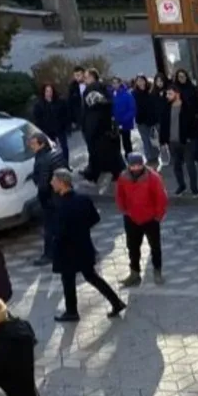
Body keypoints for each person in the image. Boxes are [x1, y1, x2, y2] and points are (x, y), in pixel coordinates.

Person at [50, 169, 126, 322]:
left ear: (62, 183)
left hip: (67, 250)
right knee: (91, 276)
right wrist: (81, 230)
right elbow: (94, 218)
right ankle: (115, 301)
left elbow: (59, 231)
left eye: (54, 180)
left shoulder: (60, 205)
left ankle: (72, 311)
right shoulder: (83, 199)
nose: (51, 182)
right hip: (84, 246)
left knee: (68, 280)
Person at [115, 152, 168, 286]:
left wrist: (158, 216)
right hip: (131, 218)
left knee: (155, 247)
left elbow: (161, 197)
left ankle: (157, 271)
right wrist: (124, 210)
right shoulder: (123, 177)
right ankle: (134, 273)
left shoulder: (153, 178)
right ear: (129, 166)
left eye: (139, 165)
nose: (136, 168)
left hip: (151, 219)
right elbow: (119, 194)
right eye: (133, 165)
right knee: (132, 247)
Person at [29, 133, 68, 267]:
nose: (31, 147)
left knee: (49, 229)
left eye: (34, 144)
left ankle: (49, 255)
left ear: (42, 144)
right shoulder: (56, 153)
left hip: (51, 199)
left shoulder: (43, 159)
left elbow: (43, 184)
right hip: (63, 194)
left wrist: (43, 200)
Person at [81, 76, 125, 189]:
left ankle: (94, 178)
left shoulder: (93, 110)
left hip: (98, 140)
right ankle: (119, 177)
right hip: (108, 137)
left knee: (99, 159)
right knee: (115, 160)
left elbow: (90, 126)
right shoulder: (106, 105)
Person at [158, 84, 198, 197]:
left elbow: (194, 125)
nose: (167, 96)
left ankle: (194, 188)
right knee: (176, 166)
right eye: (167, 94)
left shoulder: (187, 107)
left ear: (177, 94)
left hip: (186, 142)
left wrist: (190, 138)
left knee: (190, 165)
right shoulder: (166, 108)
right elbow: (163, 125)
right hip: (172, 142)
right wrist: (163, 141)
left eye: (170, 93)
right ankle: (181, 186)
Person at [32, 84, 71, 161]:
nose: (49, 93)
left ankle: (66, 163)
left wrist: (67, 126)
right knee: (52, 150)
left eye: (50, 91)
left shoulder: (59, 101)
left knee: (64, 147)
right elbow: (38, 120)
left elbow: (66, 114)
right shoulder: (39, 105)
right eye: (47, 91)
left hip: (60, 128)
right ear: (44, 92)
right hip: (48, 131)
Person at [131, 75, 160, 165]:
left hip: (153, 119)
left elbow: (155, 104)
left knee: (154, 139)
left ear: (145, 81)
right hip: (141, 120)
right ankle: (150, 158)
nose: (140, 82)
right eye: (138, 81)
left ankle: (156, 155)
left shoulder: (150, 91)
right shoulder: (134, 93)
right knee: (146, 140)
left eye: (142, 80)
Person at [111, 77, 136, 157]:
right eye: (113, 83)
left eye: (116, 83)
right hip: (115, 124)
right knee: (115, 143)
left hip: (125, 123)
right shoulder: (111, 95)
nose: (115, 85)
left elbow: (132, 109)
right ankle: (119, 161)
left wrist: (124, 119)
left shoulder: (127, 94)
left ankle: (130, 158)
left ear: (120, 83)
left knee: (127, 142)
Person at [68, 66, 87, 131]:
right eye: (75, 75)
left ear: (84, 74)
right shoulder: (72, 87)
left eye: (78, 75)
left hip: (90, 116)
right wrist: (72, 120)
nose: (77, 77)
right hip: (79, 119)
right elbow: (70, 104)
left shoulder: (90, 84)